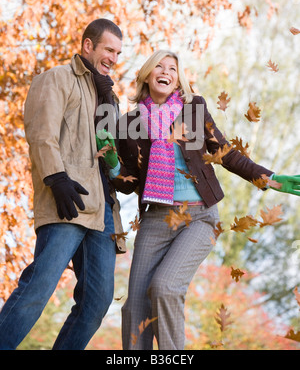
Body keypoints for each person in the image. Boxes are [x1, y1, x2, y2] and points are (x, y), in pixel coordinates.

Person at [111, 49, 300, 350]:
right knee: (134, 308)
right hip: (155, 219)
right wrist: (111, 163)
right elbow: (129, 179)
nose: (166, 72)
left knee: (165, 287)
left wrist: (268, 178)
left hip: (199, 218)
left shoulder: (194, 109)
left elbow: (224, 152)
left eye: (173, 68)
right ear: (147, 74)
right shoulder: (128, 123)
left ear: (178, 79)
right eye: (159, 66)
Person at [0, 18, 125, 350]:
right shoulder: (57, 78)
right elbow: (41, 133)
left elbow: (111, 152)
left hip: (104, 211)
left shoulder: (111, 99)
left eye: (118, 53)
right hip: (68, 197)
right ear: (88, 45)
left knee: (97, 302)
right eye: (108, 49)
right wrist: (56, 178)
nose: (113, 58)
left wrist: (120, 170)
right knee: (38, 289)